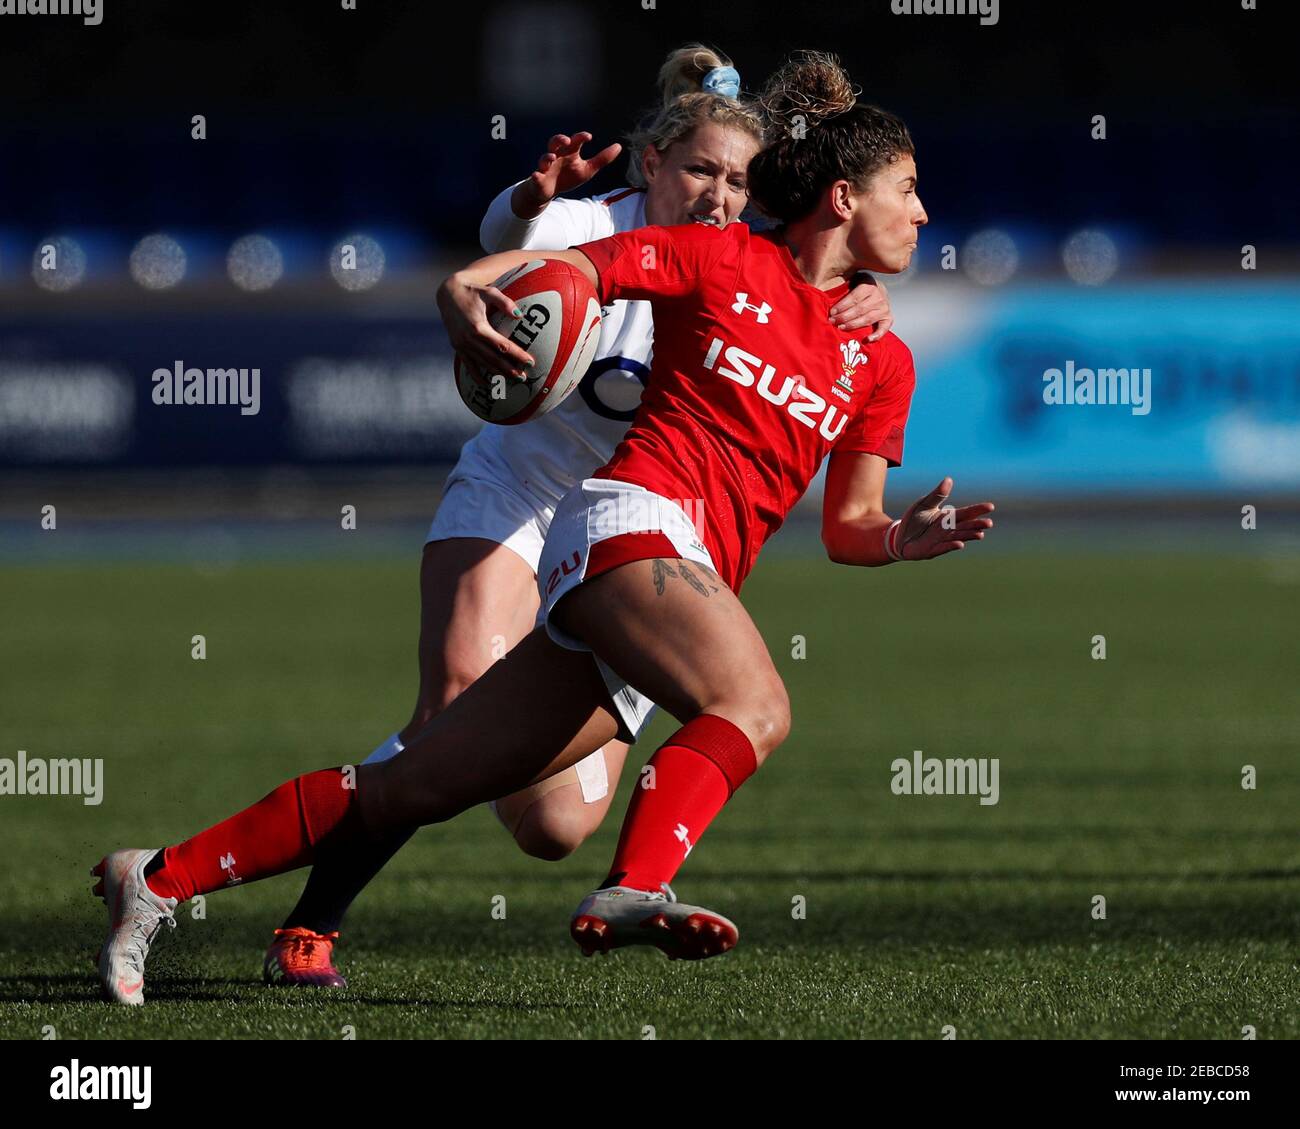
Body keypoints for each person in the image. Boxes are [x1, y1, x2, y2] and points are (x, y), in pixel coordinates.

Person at [93, 51, 993, 1004]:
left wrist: (902, 537)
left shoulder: (882, 358)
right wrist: (468, 284)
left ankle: (154, 880)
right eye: (911, 189)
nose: (926, 213)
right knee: (756, 706)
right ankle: (639, 887)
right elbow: (566, 265)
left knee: (426, 786)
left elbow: (848, 526)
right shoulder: (722, 257)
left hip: (668, 574)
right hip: (622, 519)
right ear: (845, 197)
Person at [262, 44, 892, 989]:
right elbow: (503, 242)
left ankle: (443, 771)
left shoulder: (743, 259)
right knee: (450, 706)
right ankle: (311, 924)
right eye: (699, 171)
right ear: (651, 164)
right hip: (523, 492)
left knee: (554, 827)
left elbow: (823, 266)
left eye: (738, 181)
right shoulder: (590, 223)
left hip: (637, 535)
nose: (720, 195)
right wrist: (518, 212)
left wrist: (869, 295)